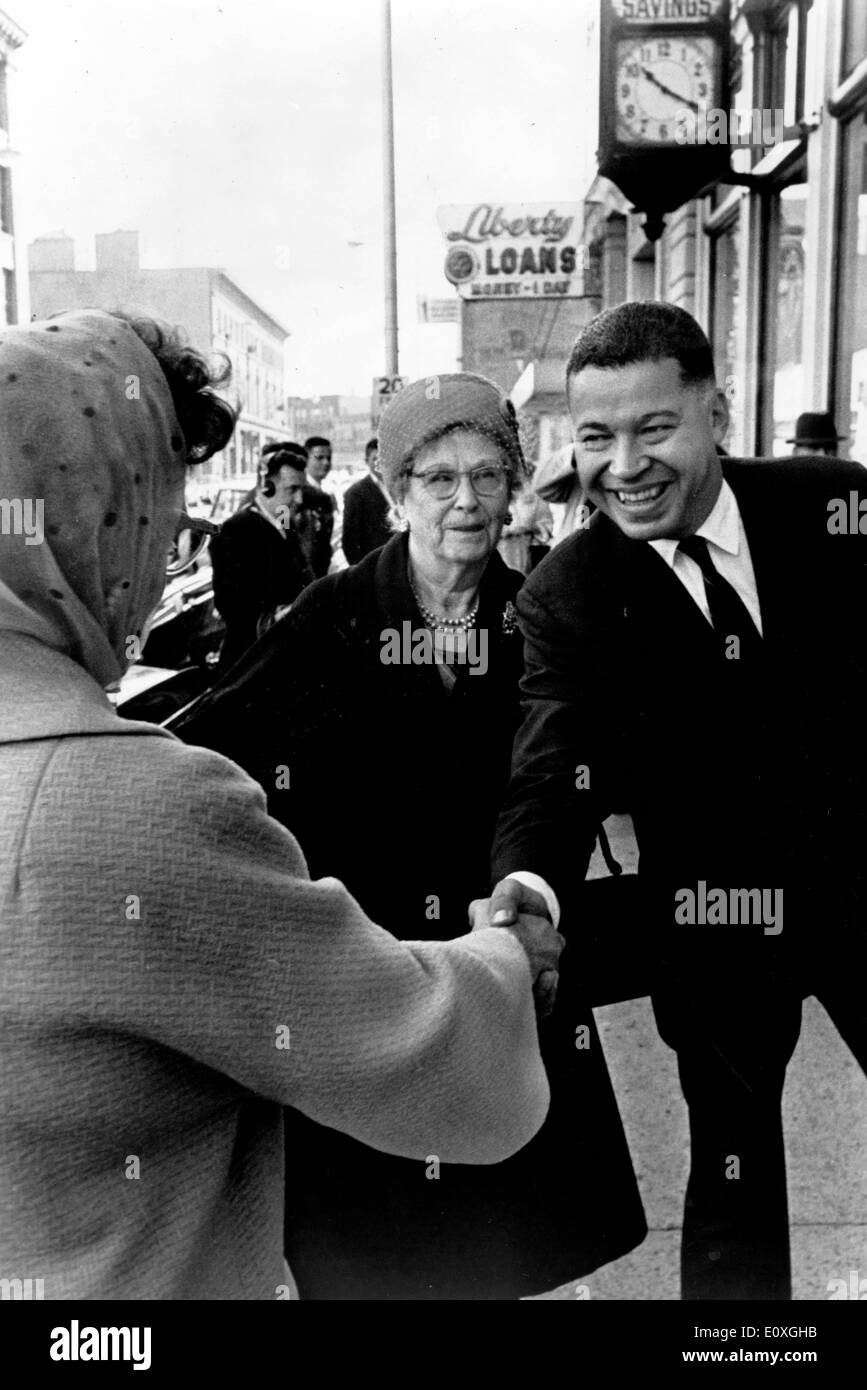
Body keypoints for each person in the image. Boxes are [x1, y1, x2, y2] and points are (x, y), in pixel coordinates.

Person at [0, 311, 562, 1301]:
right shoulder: (149, 794)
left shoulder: (539, 613)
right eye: (159, 503)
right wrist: (513, 950)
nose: (175, 539)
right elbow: (424, 1046)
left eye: (486, 477)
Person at [171, 371, 646, 1301]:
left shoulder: (544, 618)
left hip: (502, 958)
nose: (464, 501)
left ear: (513, 489)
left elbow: (589, 770)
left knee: (508, 1239)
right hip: (369, 974)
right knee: (374, 1247)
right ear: (396, 494)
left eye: (484, 476)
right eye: (437, 479)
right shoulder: (333, 616)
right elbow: (212, 751)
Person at [487, 300, 867, 1301]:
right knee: (735, 1163)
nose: (624, 464)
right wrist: (528, 888)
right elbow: (549, 766)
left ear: (717, 413)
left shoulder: (835, 506)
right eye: (598, 436)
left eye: (654, 428)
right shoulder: (569, 593)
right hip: (719, 921)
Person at [209, 442, 313, 673]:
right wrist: (277, 615)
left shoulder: (284, 521)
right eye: (292, 489)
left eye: (301, 489)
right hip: (251, 660)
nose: (299, 499)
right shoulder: (235, 531)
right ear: (266, 487)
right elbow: (228, 604)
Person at [341, 436, 392, 564]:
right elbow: (349, 541)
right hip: (375, 565)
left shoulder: (399, 486)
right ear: (366, 461)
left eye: (383, 458)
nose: (379, 463)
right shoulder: (356, 493)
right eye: (375, 459)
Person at [296, 434, 335, 577]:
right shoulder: (296, 494)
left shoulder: (325, 496)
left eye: (329, 458)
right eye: (319, 458)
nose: (326, 463)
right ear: (306, 460)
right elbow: (284, 529)